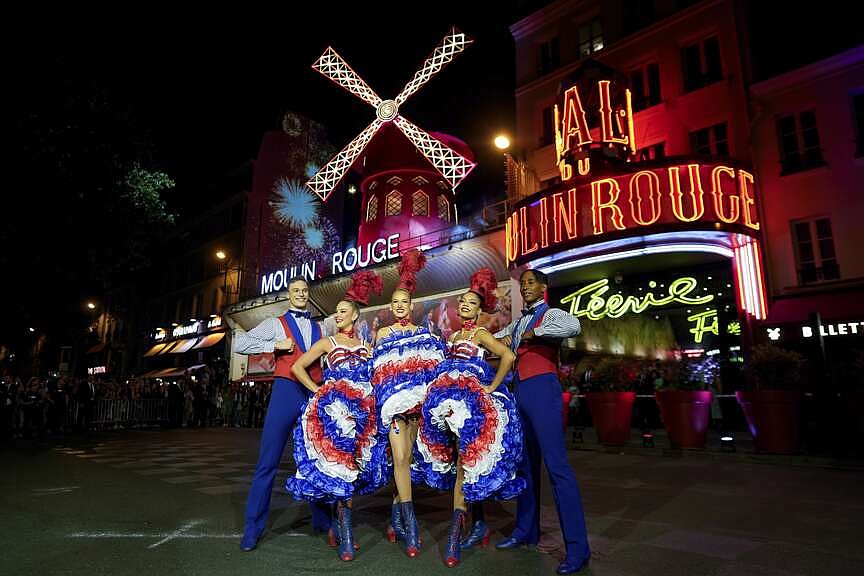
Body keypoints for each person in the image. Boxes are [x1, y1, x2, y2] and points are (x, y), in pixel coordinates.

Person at [414, 268, 524, 567]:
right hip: (447, 399)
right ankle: (478, 524)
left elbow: (508, 356)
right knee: (460, 461)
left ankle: (454, 537)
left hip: (471, 402)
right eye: (462, 301)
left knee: (466, 461)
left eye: (471, 303)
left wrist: (491, 386)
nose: (464, 304)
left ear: (479, 310)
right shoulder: (453, 335)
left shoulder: (479, 333)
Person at [495, 269, 591, 575]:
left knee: (557, 467)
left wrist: (534, 333)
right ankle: (526, 531)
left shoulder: (551, 314)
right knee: (525, 466)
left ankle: (578, 549)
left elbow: (574, 325)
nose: (525, 288)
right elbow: (495, 339)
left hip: (543, 390)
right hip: (519, 392)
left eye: (530, 283)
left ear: (544, 287)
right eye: (522, 284)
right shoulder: (518, 321)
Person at [285, 270, 385, 561]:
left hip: (362, 417)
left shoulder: (366, 347)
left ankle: (338, 527)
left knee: (353, 471)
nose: (337, 315)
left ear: (355, 315)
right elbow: (298, 367)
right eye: (336, 312)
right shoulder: (328, 342)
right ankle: (346, 534)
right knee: (340, 470)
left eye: (343, 311)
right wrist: (317, 389)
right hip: (334, 413)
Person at [232, 276, 332, 551]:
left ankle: (323, 519)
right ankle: (252, 529)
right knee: (268, 461)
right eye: (295, 291)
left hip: (312, 392)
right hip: (286, 391)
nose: (300, 294)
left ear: (308, 295)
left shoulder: (319, 327)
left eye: (304, 290)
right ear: (289, 295)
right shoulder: (276, 324)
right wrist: (272, 346)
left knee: (317, 460)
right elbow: (240, 343)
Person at [371, 249, 446, 557]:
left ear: (411, 306)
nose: (400, 307)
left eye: (404, 303)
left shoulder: (423, 333)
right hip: (392, 407)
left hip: (416, 408)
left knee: (408, 459)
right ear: (390, 307)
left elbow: (431, 369)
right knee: (400, 459)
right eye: (395, 303)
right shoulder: (383, 332)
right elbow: (376, 369)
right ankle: (411, 524)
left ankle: (396, 517)